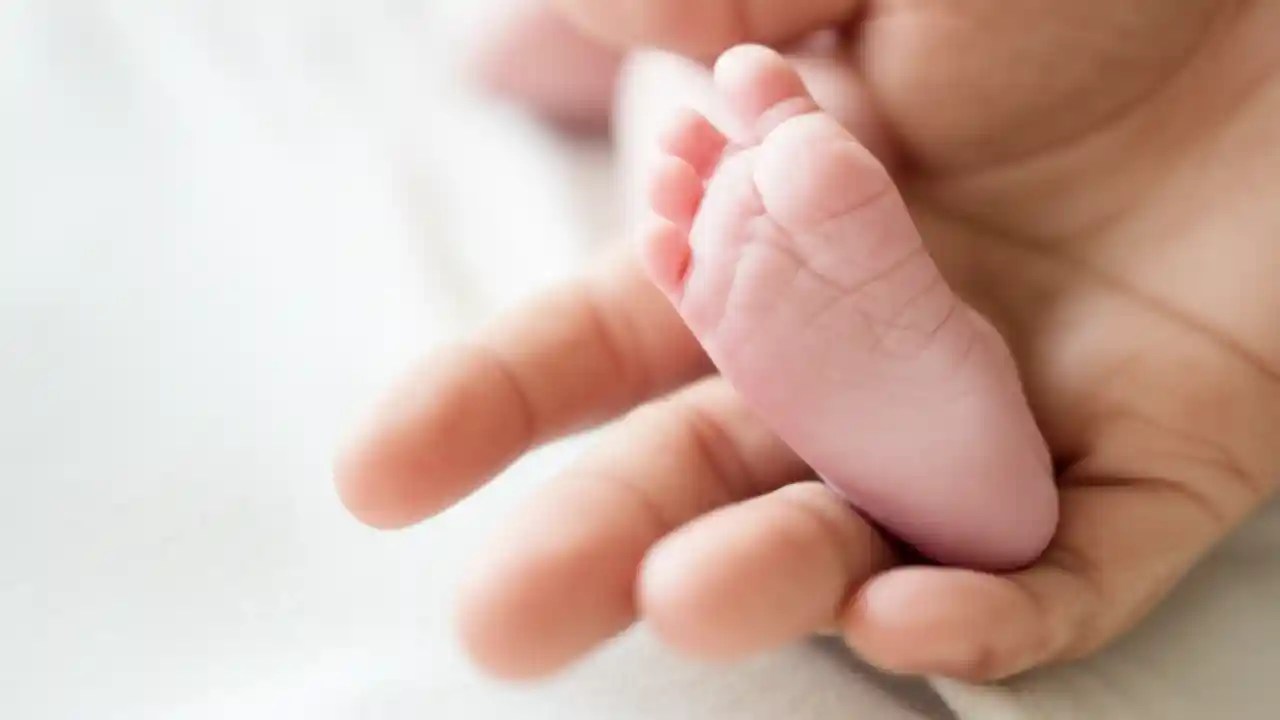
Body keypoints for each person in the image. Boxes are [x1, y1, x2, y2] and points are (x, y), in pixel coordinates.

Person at [339, 0, 1280, 682]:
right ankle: (829, 264)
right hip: (896, 87)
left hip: (825, 73)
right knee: (749, 99)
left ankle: (789, 223)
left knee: (706, 90)